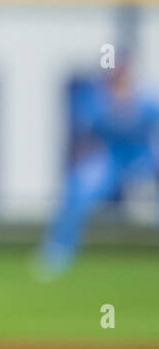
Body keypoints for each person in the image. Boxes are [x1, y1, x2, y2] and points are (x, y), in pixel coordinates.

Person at [37, 56, 159, 280]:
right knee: (79, 189)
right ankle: (59, 249)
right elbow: (84, 136)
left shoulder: (147, 100)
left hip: (140, 156)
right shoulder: (96, 101)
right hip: (110, 157)